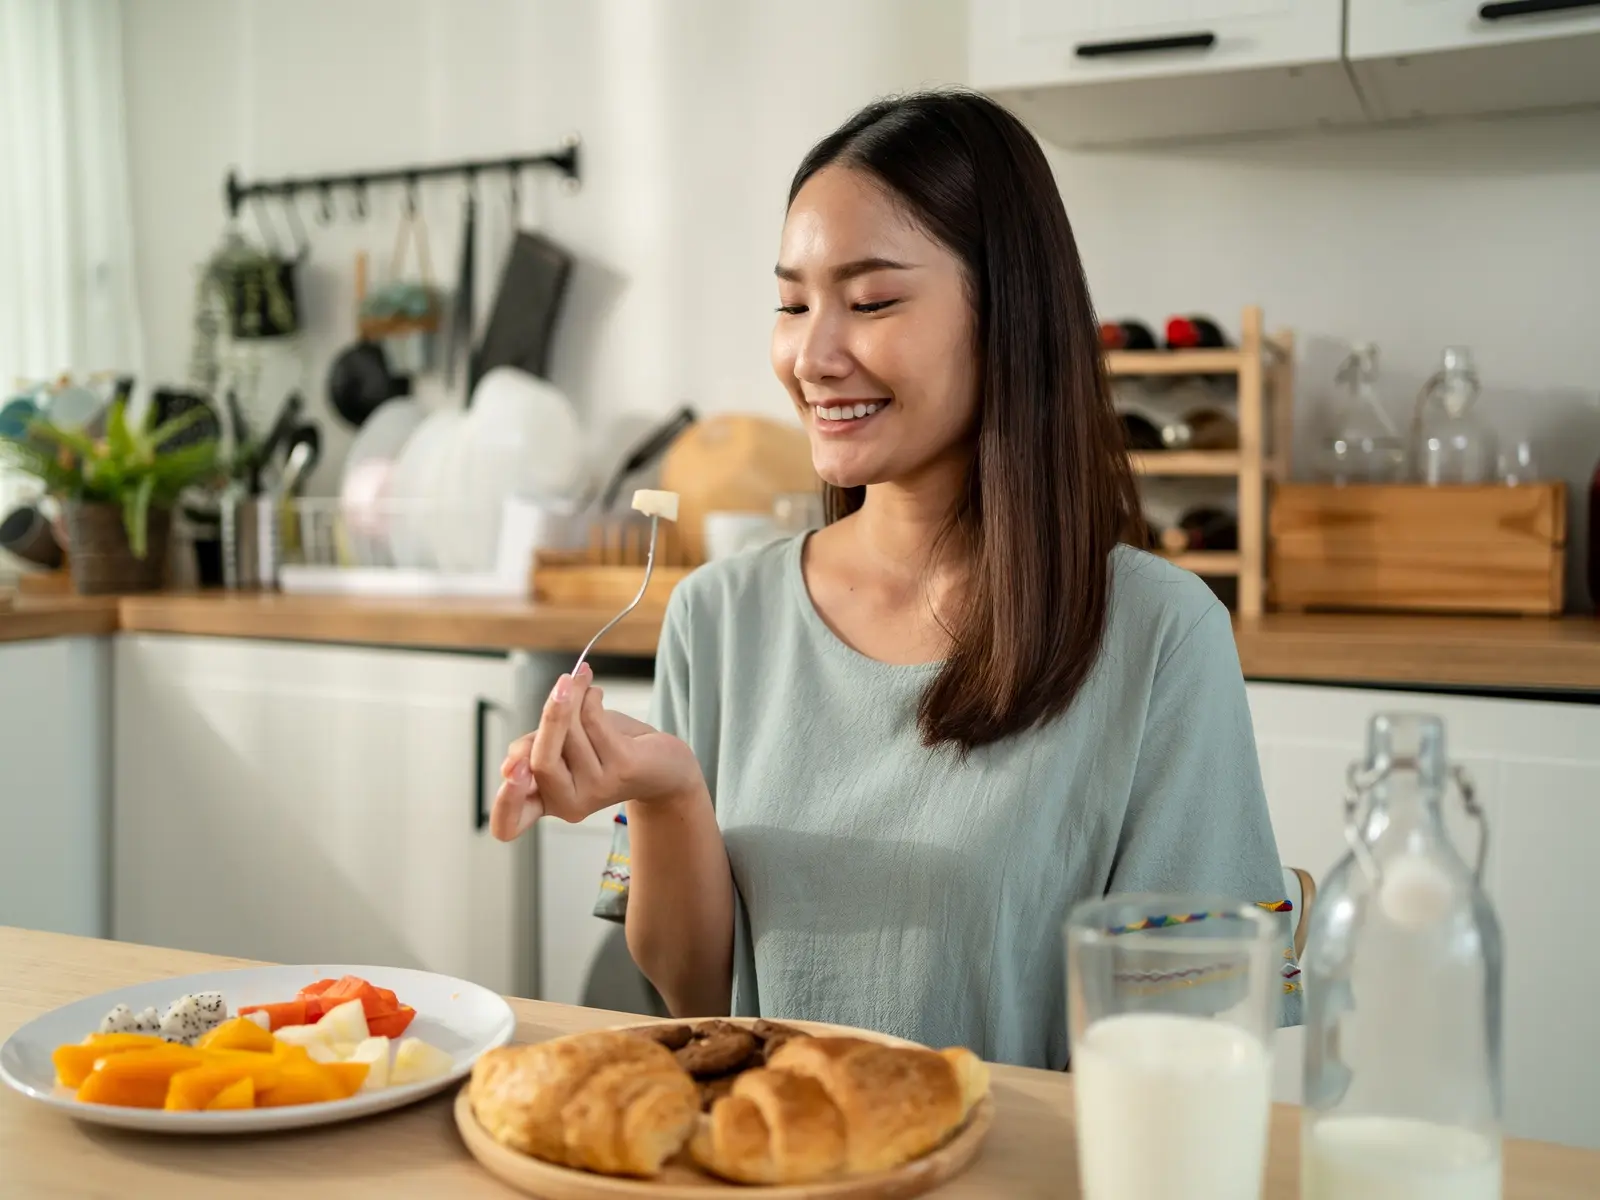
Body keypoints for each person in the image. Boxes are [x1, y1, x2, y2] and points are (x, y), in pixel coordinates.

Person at [492, 89, 1297, 1070]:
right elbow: (695, 993)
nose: (812, 355)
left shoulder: (1157, 635)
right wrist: (670, 799)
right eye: (792, 304)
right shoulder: (716, 614)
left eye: (869, 302)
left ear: (1007, 315)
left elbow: (1194, 1040)